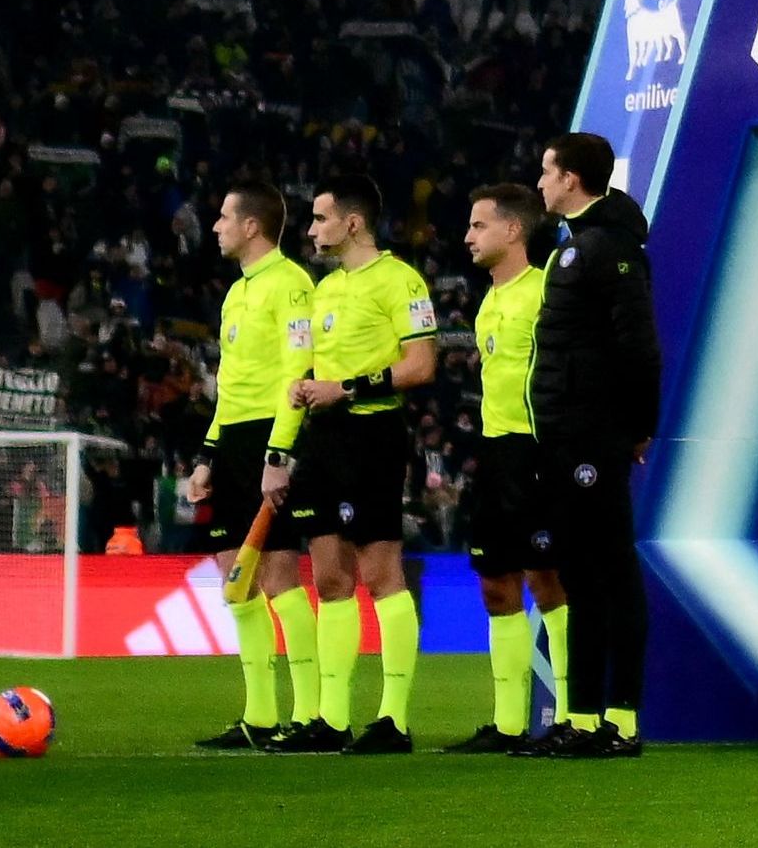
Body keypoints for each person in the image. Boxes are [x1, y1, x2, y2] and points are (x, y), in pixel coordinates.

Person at [282, 174, 442, 754]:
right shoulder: (324, 291)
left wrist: (345, 387)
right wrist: (306, 391)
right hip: (322, 437)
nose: (312, 229)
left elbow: (421, 364)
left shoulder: (400, 280)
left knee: (379, 575)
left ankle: (394, 720)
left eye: (320, 218)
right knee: (329, 579)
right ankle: (330, 718)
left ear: (352, 223)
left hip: (372, 432)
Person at [531, 130, 664, 759]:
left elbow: (639, 347)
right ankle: (581, 719)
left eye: (547, 172)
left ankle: (623, 720)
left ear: (572, 179)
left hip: (593, 433)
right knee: (582, 575)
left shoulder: (608, 250)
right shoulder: (578, 247)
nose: (539, 183)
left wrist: (638, 427)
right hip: (566, 433)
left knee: (611, 570)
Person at [183, 182, 316, 752]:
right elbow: (230, 386)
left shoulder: (291, 286)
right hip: (233, 441)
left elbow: (297, 370)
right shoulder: (237, 293)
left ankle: (311, 714)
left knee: (280, 580)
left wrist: (278, 453)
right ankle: (259, 716)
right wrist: (208, 457)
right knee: (235, 583)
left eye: (222, 216)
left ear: (252, 226)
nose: (215, 226)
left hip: (269, 438)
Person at [449, 183, 565, 755]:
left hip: (538, 449)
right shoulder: (489, 301)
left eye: (479, 226)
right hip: (497, 453)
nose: (468, 236)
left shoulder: (545, 291)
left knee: (549, 581)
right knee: (496, 585)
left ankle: (570, 717)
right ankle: (509, 723)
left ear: (513, 231)